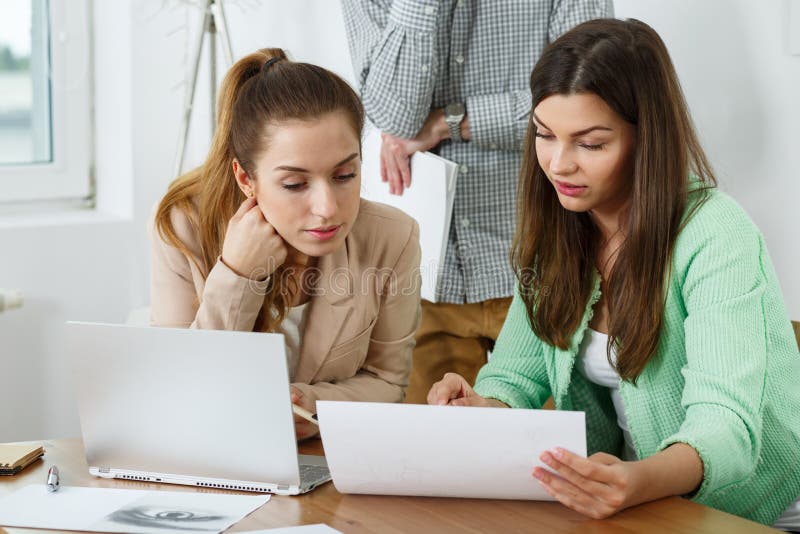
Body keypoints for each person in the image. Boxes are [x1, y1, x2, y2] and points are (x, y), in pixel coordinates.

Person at [427, 18, 800, 529]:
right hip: (647, 508)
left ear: (647, 138)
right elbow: (516, 375)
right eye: (544, 135)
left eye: (591, 143)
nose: (558, 164)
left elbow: (726, 427)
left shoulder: (716, 234)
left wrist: (637, 480)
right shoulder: (560, 228)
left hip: (760, 512)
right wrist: (478, 405)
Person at [341, 0, 614, 404]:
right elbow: (392, 118)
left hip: (545, 264)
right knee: (441, 460)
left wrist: (449, 122)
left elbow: (593, 92)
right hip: (429, 281)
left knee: (554, 459)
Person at [150, 48, 421, 441]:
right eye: (295, 184)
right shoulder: (183, 228)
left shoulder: (392, 238)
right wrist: (238, 275)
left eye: (345, 175)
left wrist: (312, 403)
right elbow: (180, 397)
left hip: (325, 468)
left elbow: (387, 382)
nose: (328, 208)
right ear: (245, 179)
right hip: (209, 459)